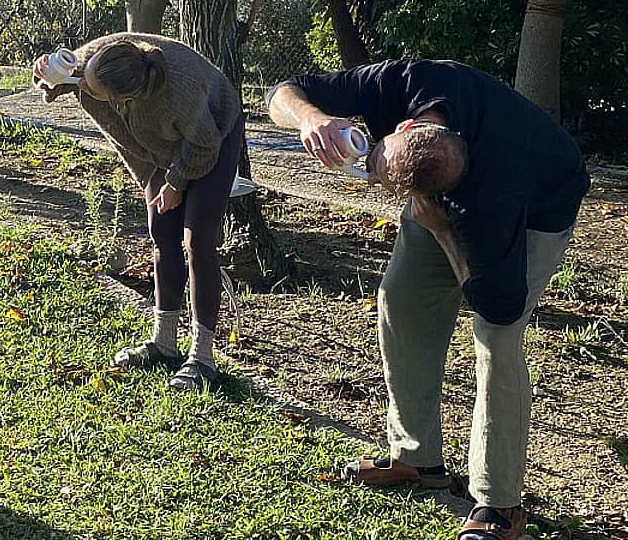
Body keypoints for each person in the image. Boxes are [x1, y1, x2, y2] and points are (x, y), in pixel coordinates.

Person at [268, 59, 589, 540]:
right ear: (405, 125)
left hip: (539, 206)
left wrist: (442, 230)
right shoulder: (408, 81)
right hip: (441, 192)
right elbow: (283, 91)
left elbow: (496, 304)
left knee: (497, 340)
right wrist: (312, 119)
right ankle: (416, 458)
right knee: (401, 301)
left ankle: (499, 505)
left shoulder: (493, 196)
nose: (370, 169)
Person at [33, 33, 243, 391]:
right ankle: (164, 343)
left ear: (124, 101)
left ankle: (203, 359)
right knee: (162, 231)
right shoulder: (98, 62)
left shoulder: (177, 95)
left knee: (197, 241)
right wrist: (45, 74)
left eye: (91, 88)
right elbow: (64, 80)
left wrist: (176, 183)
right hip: (160, 144)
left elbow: (204, 143)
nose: (82, 84)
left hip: (213, 133)